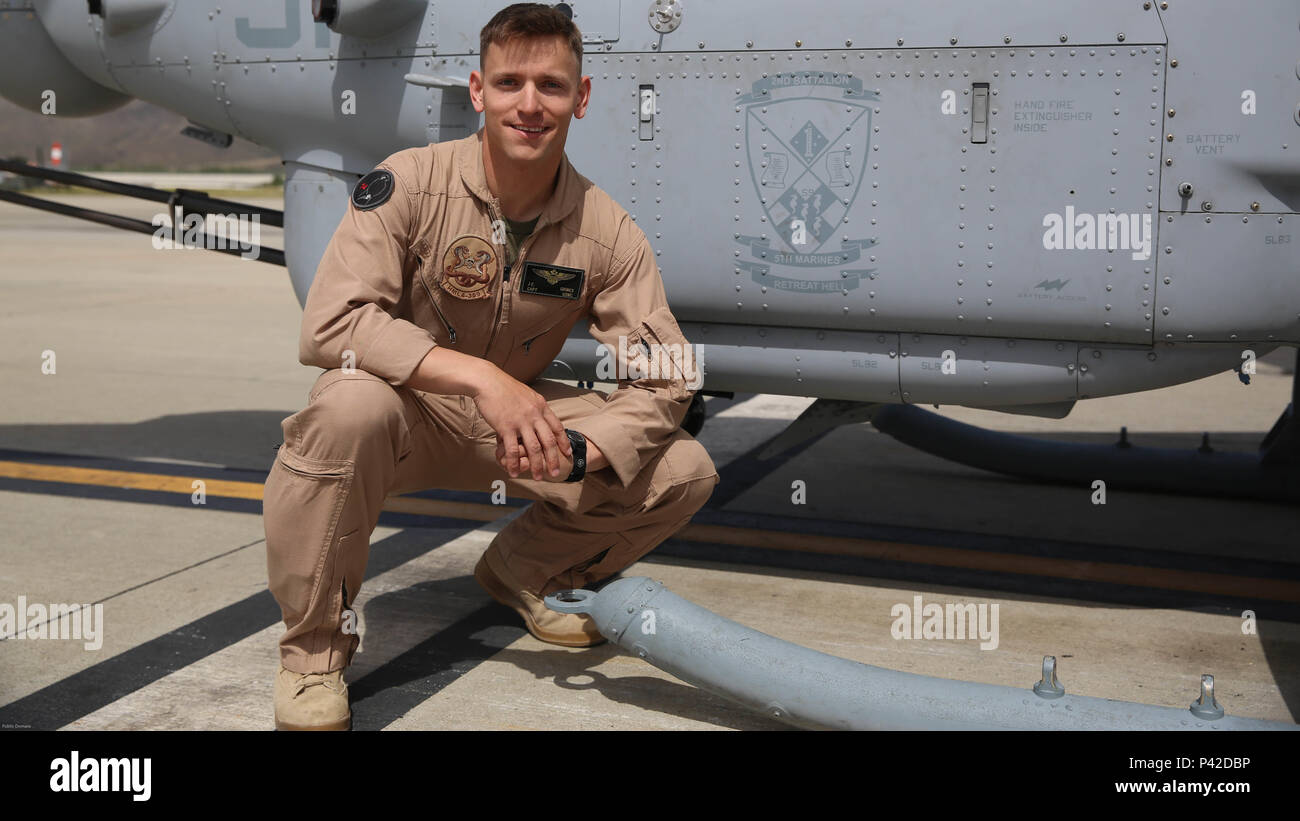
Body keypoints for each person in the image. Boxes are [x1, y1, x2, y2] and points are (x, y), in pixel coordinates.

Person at [262, 2, 717, 731]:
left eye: (552, 86)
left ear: (583, 97)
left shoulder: (606, 229)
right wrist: (483, 379)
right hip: (408, 411)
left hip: (521, 432)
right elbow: (332, 324)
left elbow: (665, 373)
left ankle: (526, 570)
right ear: (477, 90)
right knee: (345, 407)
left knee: (681, 467)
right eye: (509, 83)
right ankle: (313, 654)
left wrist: (593, 447)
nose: (530, 105)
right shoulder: (409, 183)